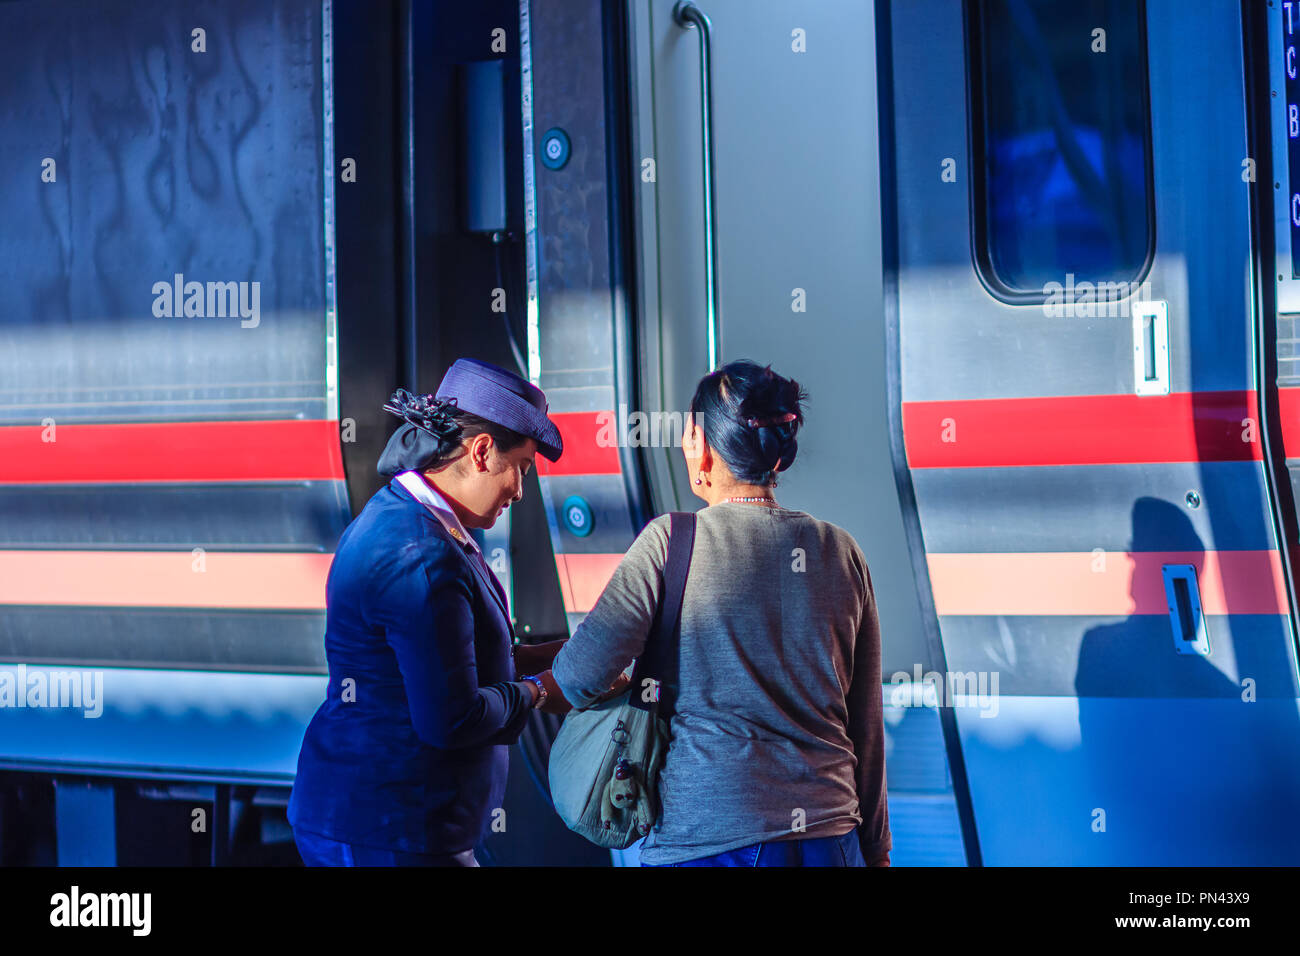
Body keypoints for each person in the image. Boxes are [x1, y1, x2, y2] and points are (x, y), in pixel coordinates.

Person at [550, 359, 892, 867]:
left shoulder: (670, 542)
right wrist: (876, 850)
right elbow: (866, 721)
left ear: (701, 446)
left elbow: (578, 676)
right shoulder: (840, 551)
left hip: (711, 836)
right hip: (830, 835)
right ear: (777, 457)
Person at [288, 357, 576, 866]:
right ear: (483, 451)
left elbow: (459, 659)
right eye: (522, 470)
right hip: (389, 828)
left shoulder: (413, 519)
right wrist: (537, 693)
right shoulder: (421, 553)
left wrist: (566, 656)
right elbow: (451, 717)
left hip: (389, 824)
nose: (520, 491)